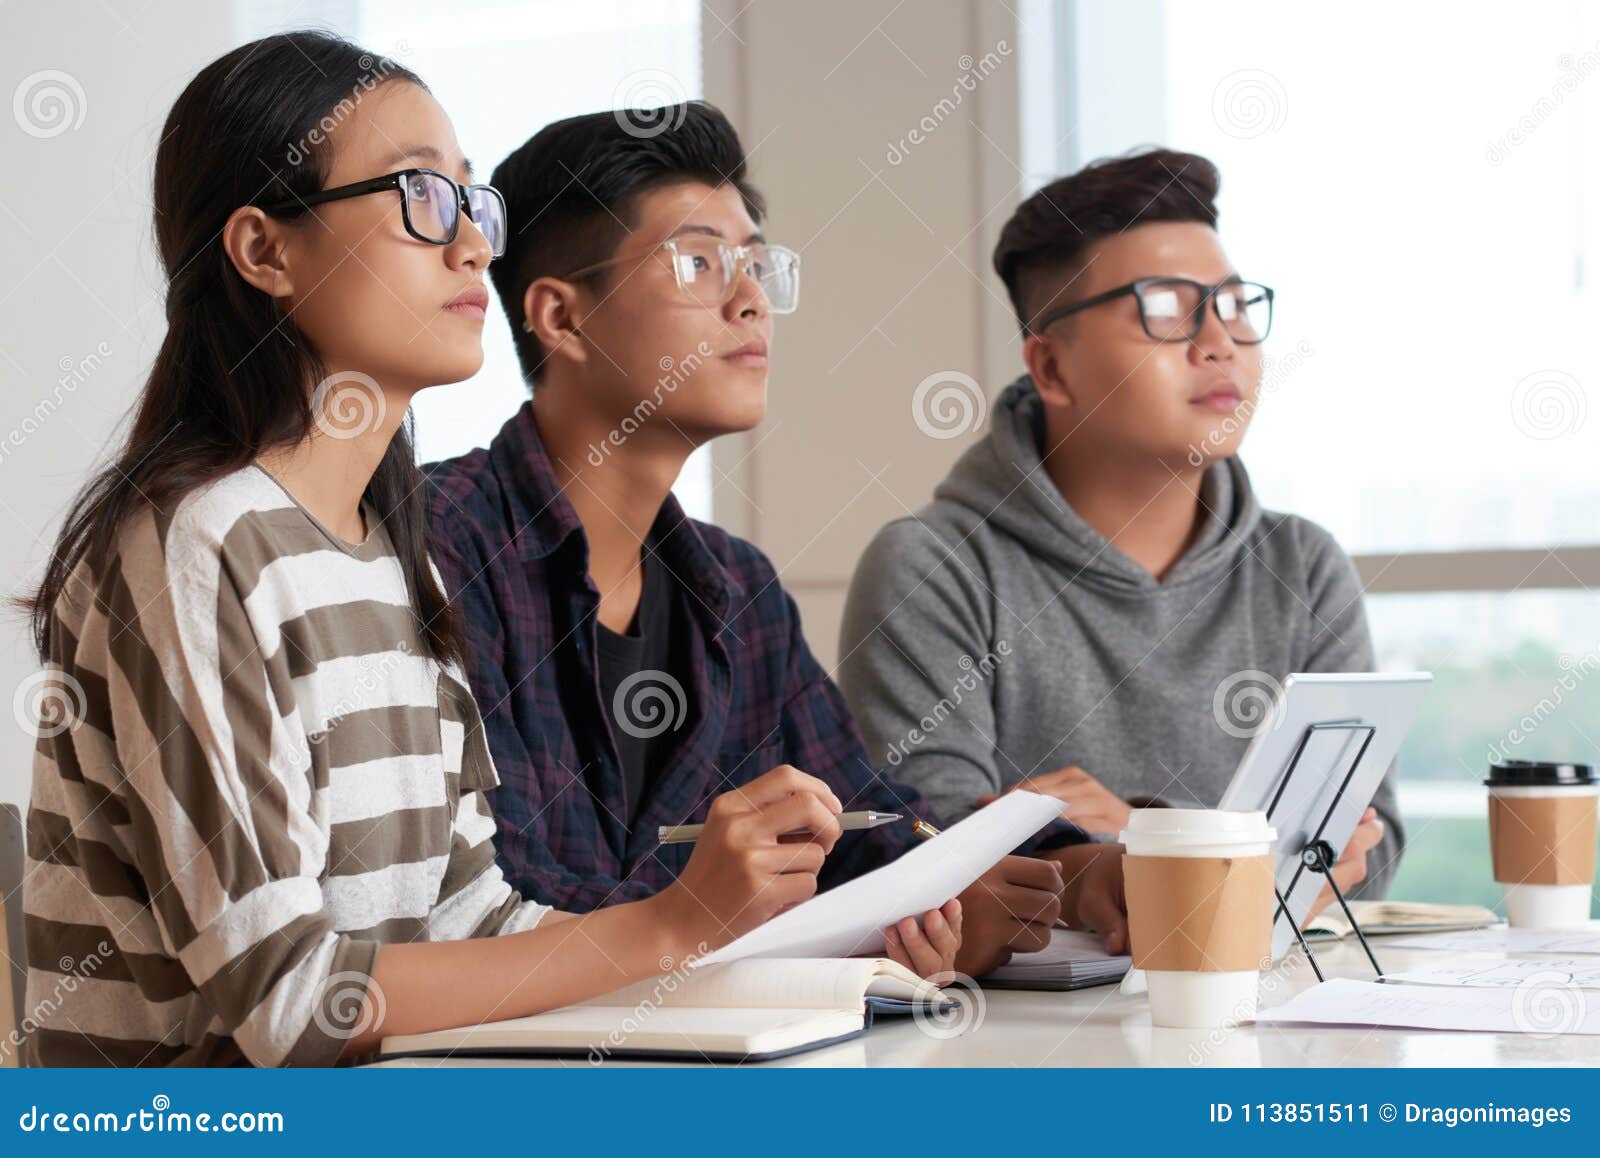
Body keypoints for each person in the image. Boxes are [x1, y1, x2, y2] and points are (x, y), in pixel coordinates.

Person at [17, 33, 951, 1068]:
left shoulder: (391, 554)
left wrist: (743, 956)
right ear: (264, 251)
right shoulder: (196, 542)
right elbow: (289, 1001)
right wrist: (672, 923)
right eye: (422, 197)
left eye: (471, 202)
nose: (472, 246)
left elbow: (476, 919)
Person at [425, 103, 1129, 974]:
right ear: (562, 319)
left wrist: (1076, 868)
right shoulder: (440, 550)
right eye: (698, 262)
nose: (751, 299)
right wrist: (819, 920)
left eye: (757, 264)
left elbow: (868, 822)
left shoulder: (737, 588)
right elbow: (505, 898)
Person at [838, 147, 1400, 919]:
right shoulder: (935, 568)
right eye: (1166, 308)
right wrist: (1239, 847)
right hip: (1019, 1035)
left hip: (1272, 1010)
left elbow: (1374, 837)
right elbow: (928, 848)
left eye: (1234, 305)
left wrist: (1133, 831)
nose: (1219, 342)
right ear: (1052, 368)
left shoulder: (1302, 565)